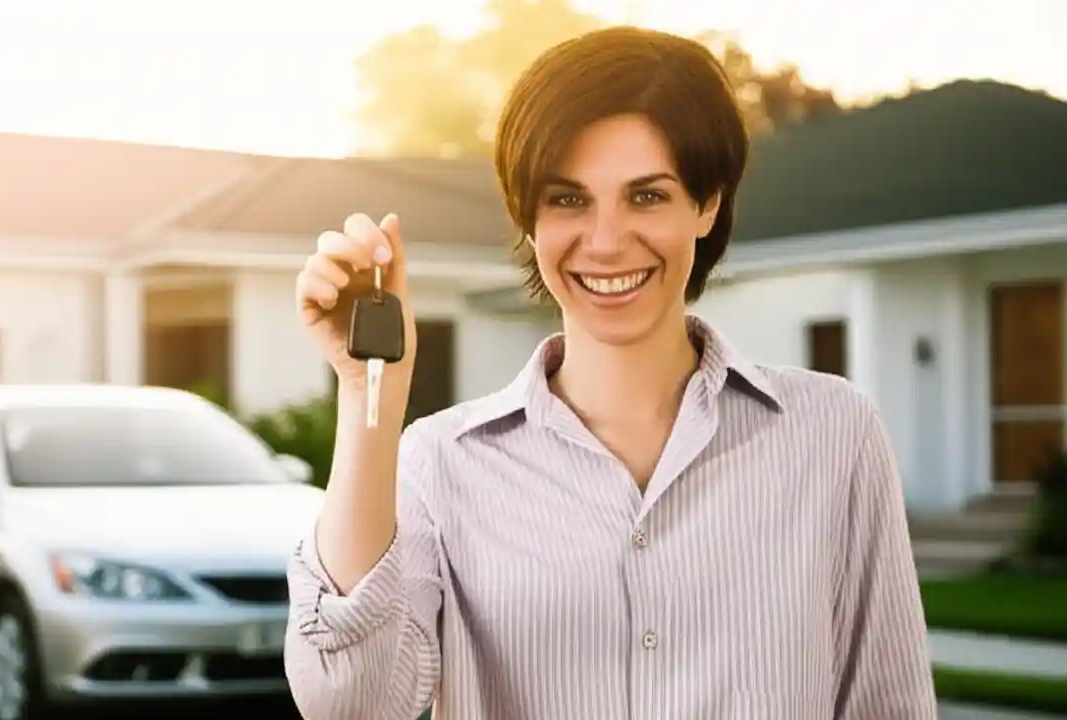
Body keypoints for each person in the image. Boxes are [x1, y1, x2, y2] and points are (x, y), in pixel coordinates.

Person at [284, 25, 937, 720]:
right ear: (528, 218)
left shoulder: (833, 435)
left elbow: (887, 705)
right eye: (568, 199)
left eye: (647, 196)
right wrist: (365, 397)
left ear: (707, 203)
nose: (604, 241)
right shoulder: (441, 464)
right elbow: (349, 702)